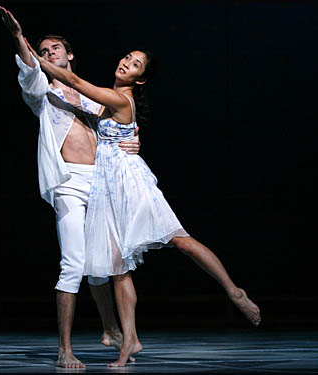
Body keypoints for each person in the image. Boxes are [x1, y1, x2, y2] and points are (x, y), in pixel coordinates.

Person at [25, 40, 262, 367]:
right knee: (116, 266)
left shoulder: (119, 97)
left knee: (179, 240)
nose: (126, 63)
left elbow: (77, 83)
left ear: (140, 79)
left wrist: (37, 59)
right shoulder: (108, 98)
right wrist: (133, 136)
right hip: (107, 184)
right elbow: (106, 122)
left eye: (134, 64)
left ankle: (233, 291)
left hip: (129, 182)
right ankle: (127, 339)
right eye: (126, 57)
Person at [0, 6, 142, 368]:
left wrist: (135, 141)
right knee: (73, 264)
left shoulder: (92, 96)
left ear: (69, 54)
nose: (48, 55)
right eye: (43, 51)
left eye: (53, 50)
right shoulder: (41, 94)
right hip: (69, 184)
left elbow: (121, 126)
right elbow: (30, 70)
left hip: (102, 183)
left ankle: (110, 330)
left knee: (106, 263)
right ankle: (65, 350)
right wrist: (18, 38)